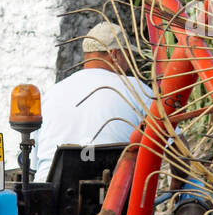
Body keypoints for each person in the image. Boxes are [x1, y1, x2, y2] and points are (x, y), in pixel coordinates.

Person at [32, 22, 153, 183]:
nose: (128, 64)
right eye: (128, 56)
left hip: (51, 196)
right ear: (115, 54)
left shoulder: (51, 93)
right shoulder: (136, 89)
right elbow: (175, 146)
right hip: (114, 195)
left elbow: (32, 164)